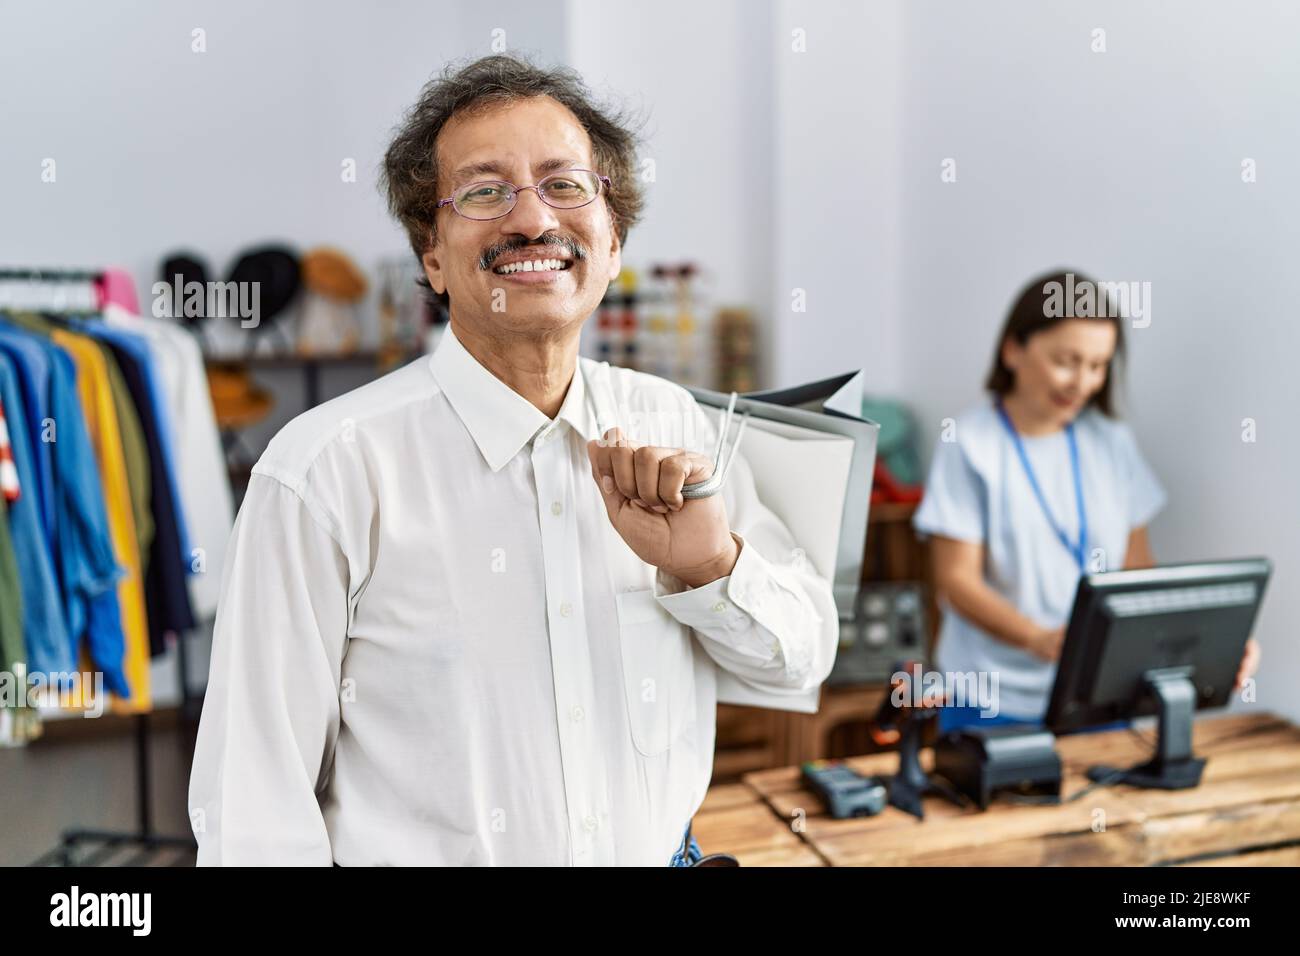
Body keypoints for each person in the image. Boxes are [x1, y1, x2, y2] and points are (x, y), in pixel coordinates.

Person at [187, 54, 837, 866]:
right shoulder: (327, 471)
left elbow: (798, 663)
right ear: (432, 255)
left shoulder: (676, 424)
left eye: (566, 185)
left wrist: (709, 563)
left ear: (612, 240)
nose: (532, 221)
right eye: (486, 191)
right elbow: (254, 807)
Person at [914, 271, 1260, 734]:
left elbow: (1138, 570)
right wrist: (1038, 639)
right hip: (992, 698)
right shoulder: (969, 443)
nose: (1082, 382)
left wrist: (1215, 647)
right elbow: (955, 581)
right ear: (1013, 349)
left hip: (1096, 695)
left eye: (1097, 365)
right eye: (1067, 361)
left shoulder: (1111, 442)